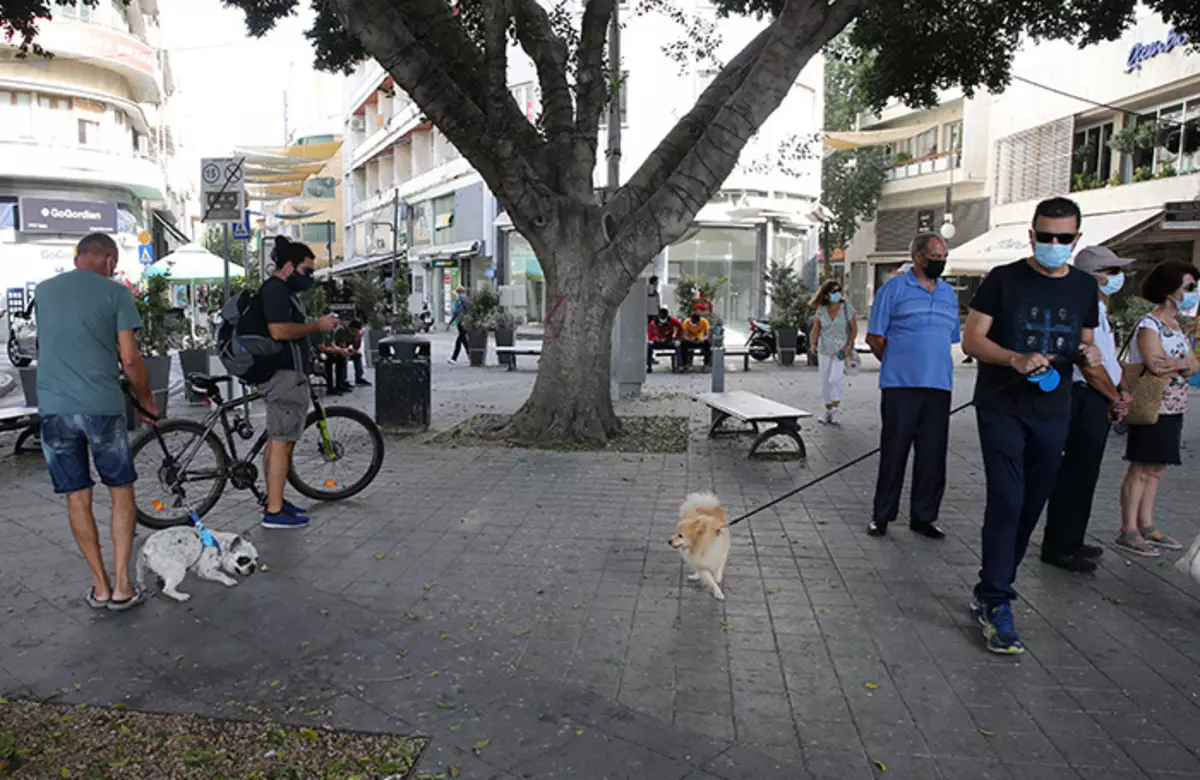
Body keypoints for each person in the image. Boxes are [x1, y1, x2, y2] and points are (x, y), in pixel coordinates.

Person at [962, 197, 1102, 655]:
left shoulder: (1084, 287)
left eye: (1064, 238)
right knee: (1006, 498)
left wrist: (1090, 355)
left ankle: (991, 586)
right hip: (1001, 407)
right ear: (1032, 236)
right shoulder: (1003, 280)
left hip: (1054, 411)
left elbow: (1083, 340)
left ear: (1076, 239)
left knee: (1030, 504)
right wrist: (1014, 358)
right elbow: (973, 339)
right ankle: (999, 600)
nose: (1054, 245)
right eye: (1046, 237)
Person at [35, 233, 158, 611]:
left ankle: (99, 585)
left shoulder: (43, 291)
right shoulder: (115, 292)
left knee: (77, 496)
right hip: (101, 408)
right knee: (120, 490)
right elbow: (131, 358)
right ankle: (123, 585)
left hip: (54, 409)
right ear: (108, 259)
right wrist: (147, 401)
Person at [1041, 247, 1133, 573]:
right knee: (1075, 474)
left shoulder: (1099, 311)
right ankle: (1060, 545)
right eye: (1110, 271)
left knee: (1086, 474)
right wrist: (1115, 397)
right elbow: (1090, 367)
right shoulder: (1079, 309)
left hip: (1099, 396)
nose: (1116, 278)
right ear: (1094, 275)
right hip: (1082, 395)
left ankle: (1072, 539)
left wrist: (1121, 389)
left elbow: (1107, 359)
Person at [866, 232, 958, 540]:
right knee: (894, 452)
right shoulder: (894, 288)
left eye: (944, 258)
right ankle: (882, 516)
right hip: (901, 386)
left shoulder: (948, 294)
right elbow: (875, 337)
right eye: (935, 257)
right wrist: (896, 362)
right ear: (918, 257)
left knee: (933, 455)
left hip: (939, 385)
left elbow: (950, 338)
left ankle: (924, 516)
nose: (941, 263)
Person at [1115, 260, 1200, 557]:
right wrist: (1182, 365)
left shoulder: (1178, 327)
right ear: (1169, 290)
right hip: (1151, 405)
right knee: (1140, 467)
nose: (1193, 292)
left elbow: (1192, 364)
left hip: (1174, 406)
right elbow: (1155, 363)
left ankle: (1147, 523)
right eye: (1189, 287)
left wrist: (1179, 364)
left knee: (1157, 468)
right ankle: (1129, 528)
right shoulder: (1150, 325)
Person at [259, 236, 339, 529]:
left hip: (284, 375)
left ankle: (274, 500)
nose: (310, 278)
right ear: (289, 267)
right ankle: (274, 511)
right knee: (281, 443)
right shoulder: (277, 291)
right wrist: (316, 326)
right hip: (283, 377)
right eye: (307, 271)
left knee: (277, 440)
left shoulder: (280, 291)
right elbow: (279, 331)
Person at [809, 280, 857, 425]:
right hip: (824, 349)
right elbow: (816, 329)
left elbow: (854, 329)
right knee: (824, 381)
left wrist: (849, 346)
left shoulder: (847, 309)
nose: (837, 294)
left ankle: (836, 409)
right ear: (826, 295)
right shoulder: (821, 310)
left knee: (835, 379)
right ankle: (827, 409)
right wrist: (812, 343)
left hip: (840, 350)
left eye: (838, 290)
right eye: (833, 291)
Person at [313, 310, 353, 396]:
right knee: (329, 359)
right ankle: (330, 387)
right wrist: (338, 350)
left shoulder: (331, 329)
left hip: (326, 351)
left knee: (341, 357)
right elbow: (321, 347)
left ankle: (340, 383)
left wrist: (341, 351)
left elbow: (332, 344)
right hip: (317, 353)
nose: (335, 326)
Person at [647, 307, 682, 372]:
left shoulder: (672, 320)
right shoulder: (653, 323)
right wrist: (656, 339)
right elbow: (650, 336)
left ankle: (679, 365)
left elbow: (681, 327)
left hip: (669, 341)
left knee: (678, 345)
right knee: (648, 346)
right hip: (657, 342)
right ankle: (648, 365)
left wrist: (677, 337)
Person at [447, 287, 469, 365]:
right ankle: (470, 356)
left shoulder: (460, 299)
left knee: (459, 340)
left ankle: (454, 358)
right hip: (465, 322)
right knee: (463, 340)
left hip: (460, 322)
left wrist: (450, 323)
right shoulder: (466, 299)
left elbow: (456, 312)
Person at [346, 319, 371, 386]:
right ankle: (343, 379)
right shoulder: (343, 332)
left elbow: (356, 348)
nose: (357, 332)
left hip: (346, 350)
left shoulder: (355, 334)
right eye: (357, 330)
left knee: (358, 355)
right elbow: (342, 346)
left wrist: (358, 339)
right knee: (344, 357)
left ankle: (359, 377)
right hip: (338, 350)